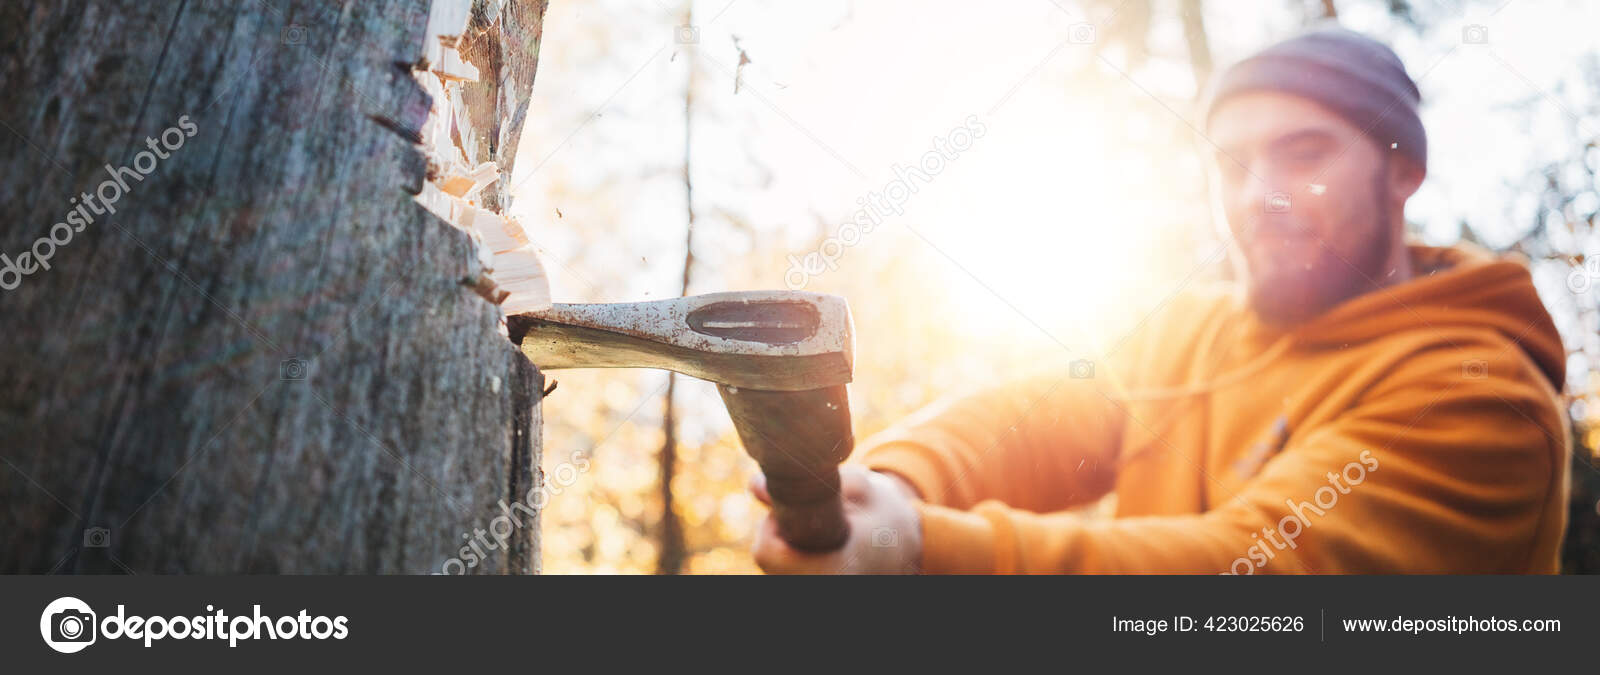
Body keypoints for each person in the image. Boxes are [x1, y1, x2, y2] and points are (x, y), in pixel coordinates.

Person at [752, 28, 1571, 574]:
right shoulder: (1193, 329)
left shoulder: (1484, 399)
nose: (1261, 197)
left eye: (1303, 154)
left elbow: (1250, 568)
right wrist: (882, 486)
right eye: (1235, 163)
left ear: (1402, 172)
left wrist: (919, 546)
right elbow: (1033, 419)